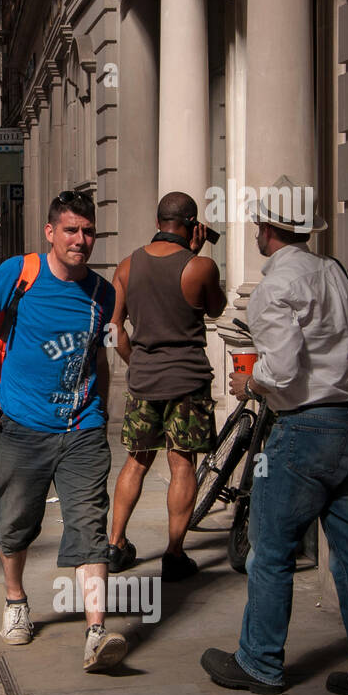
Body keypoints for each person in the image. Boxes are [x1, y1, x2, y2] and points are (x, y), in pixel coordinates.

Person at [201, 194, 348, 695]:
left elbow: (285, 369)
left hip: (305, 430)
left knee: (270, 551)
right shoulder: (334, 272)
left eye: (257, 225)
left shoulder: (276, 285)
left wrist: (252, 383)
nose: (254, 232)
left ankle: (260, 662)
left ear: (269, 230)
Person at [0, 191, 127, 672]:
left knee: (89, 525)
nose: (81, 239)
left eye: (88, 231)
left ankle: (96, 631)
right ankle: (16, 601)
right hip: (21, 425)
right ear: (51, 232)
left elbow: (97, 355)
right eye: (71, 230)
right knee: (13, 523)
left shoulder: (103, 292)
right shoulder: (19, 272)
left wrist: (103, 410)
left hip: (83, 428)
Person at [107, 191, 227, 581]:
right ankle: (174, 554)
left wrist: (136, 362)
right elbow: (216, 308)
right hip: (187, 381)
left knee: (137, 460)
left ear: (158, 222)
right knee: (182, 463)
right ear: (192, 225)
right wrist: (199, 253)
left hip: (143, 381)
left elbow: (114, 331)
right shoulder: (200, 267)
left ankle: (115, 544)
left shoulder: (126, 266)